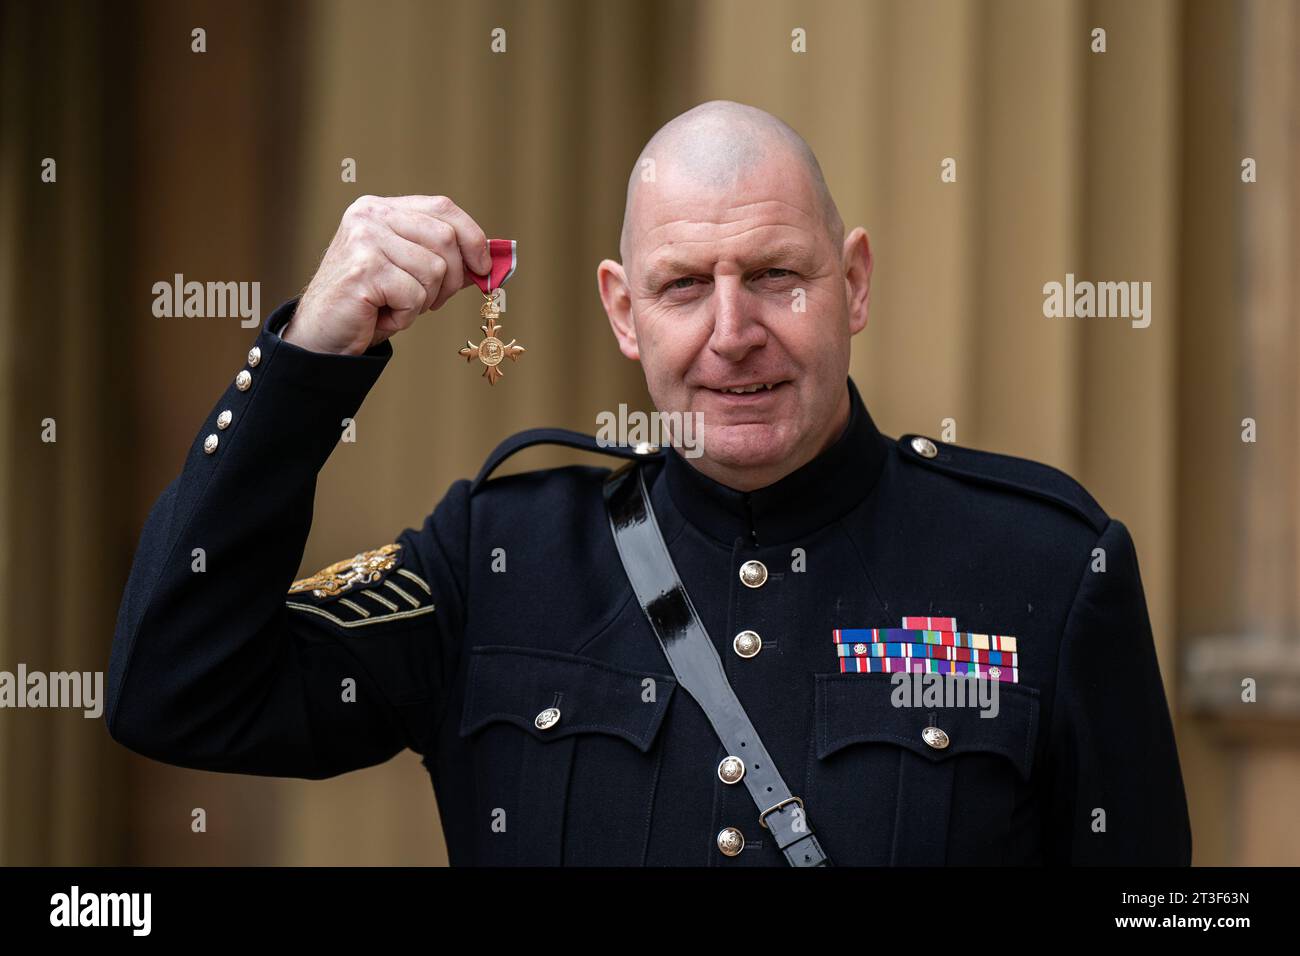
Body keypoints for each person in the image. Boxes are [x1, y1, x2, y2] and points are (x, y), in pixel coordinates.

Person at [106, 100, 1191, 866]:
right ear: (623, 311)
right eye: (683, 286)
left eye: (775, 275)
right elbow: (178, 688)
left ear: (851, 283)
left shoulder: (1042, 565)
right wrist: (310, 362)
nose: (732, 333)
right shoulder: (497, 557)